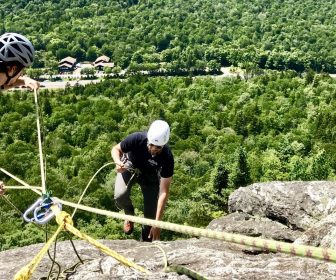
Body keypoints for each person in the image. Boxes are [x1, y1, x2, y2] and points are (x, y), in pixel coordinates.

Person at [111, 120, 174, 242]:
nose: (153, 149)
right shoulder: (137, 138)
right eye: (151, 145)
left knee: (151, 217)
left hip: (150, 173)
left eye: (158, 147)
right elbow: (115, 149)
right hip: (130, 165)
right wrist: (118, 162)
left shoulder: (167, 156)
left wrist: (157, 223)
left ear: (163, 145)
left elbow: (164, 192)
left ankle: (146, 240)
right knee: (120, 196)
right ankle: (129, 215)